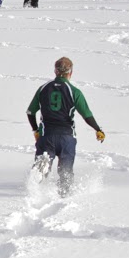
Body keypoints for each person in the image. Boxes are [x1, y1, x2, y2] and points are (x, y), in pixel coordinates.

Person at [26, 56, 106, 197]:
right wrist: (98, 129)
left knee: (41, 169)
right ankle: (64, 195)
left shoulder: (43, 89)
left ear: (55, 71)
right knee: (66, 172)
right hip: (66, 138)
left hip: (47, 136)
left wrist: (35, 130)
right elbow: (86, 115)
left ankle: (35, 191)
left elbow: (30, 112)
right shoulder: (74, 91)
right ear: (71, 72)